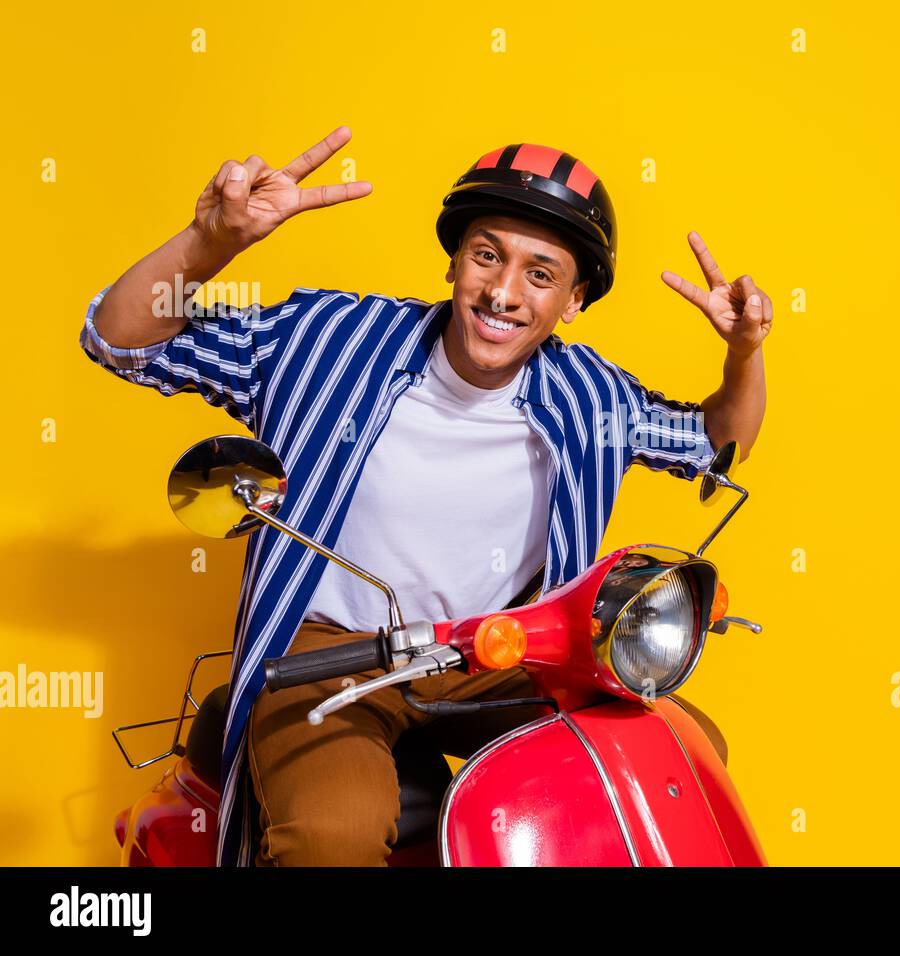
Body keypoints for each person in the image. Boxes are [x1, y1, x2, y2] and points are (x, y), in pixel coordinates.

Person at [80, 128, 772, 866]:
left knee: (677, 757)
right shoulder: (328, 341)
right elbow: (121, 340)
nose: (503, 292)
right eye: (487, 255)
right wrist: (207, 242)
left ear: (573, 302)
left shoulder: (590, 396)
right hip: (334, 651)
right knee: (331, 837)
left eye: (541, 275)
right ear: (454, 260)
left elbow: (718, 445)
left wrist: (744, 355)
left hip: (498, 654)